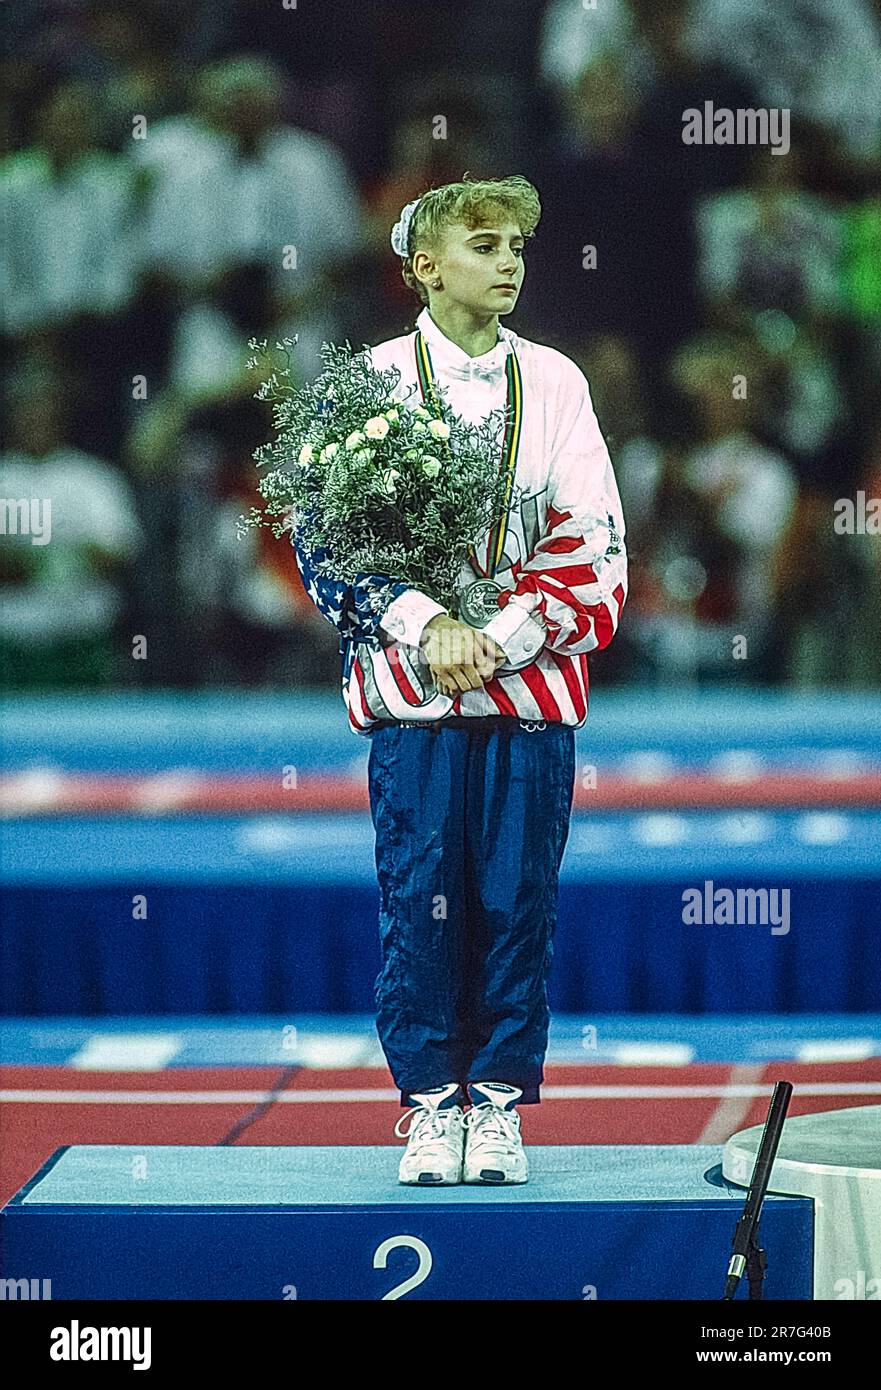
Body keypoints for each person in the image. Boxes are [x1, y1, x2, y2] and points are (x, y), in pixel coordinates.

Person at [293, 175, 627, 1185]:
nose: (511, 259)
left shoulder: (560, 383)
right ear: (425, 266)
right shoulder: (369, 383)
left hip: (525, 700)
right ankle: (431, 1104)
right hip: (416, 697)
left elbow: (598, 542)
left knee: (516, 901)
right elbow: (325, 545)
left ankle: (497, 1104)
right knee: (420, 897)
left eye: (518, 243)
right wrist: (426, 624)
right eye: (486, 244)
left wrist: (503, 633)